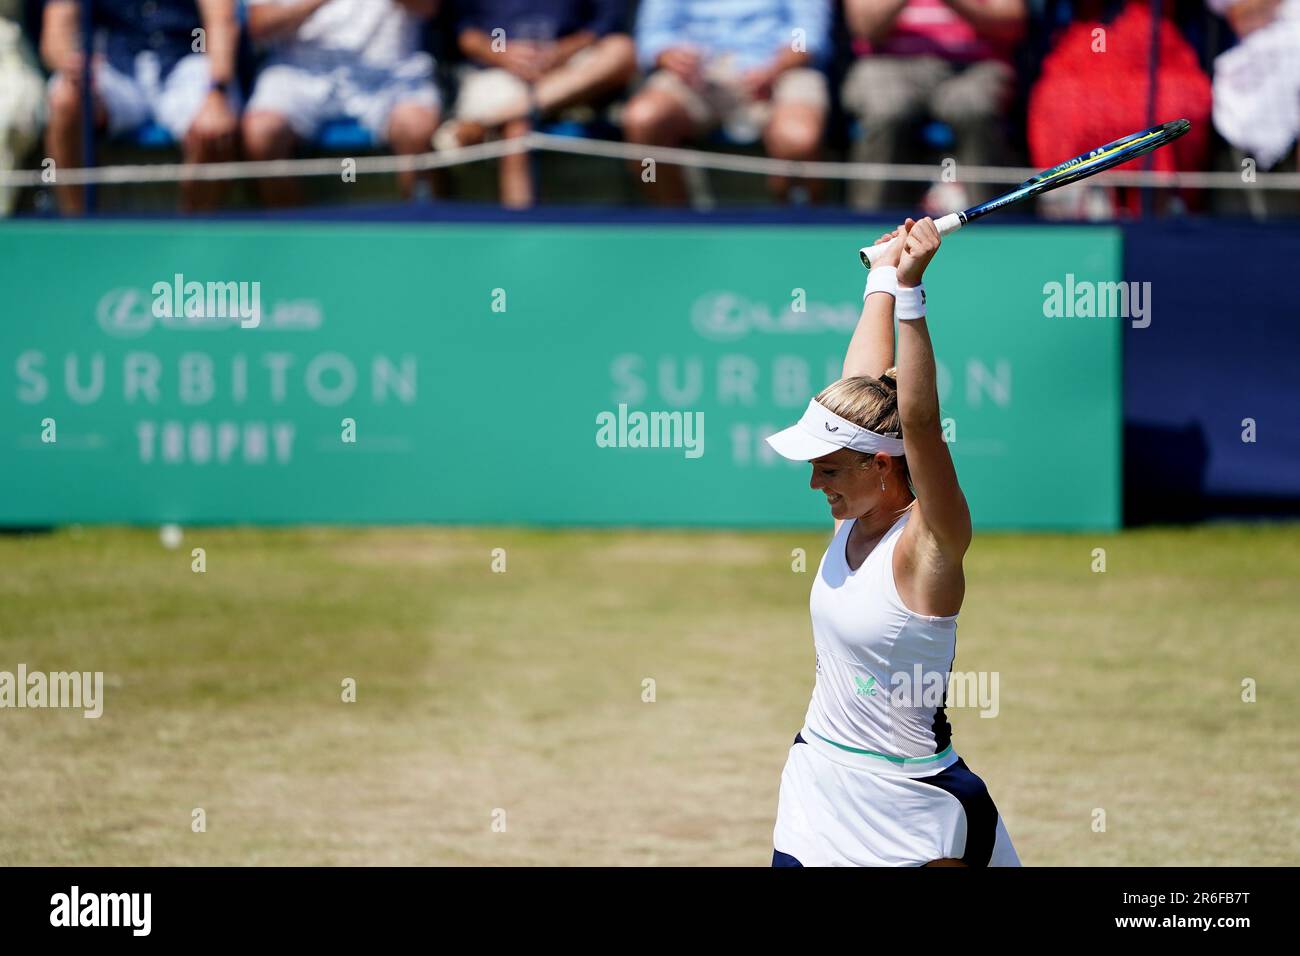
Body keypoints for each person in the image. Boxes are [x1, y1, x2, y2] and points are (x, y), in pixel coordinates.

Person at [765, 217, 1020, 866]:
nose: (815, 485)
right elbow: (865, 382)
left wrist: (911, 291)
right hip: (817, 784)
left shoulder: (931, 543)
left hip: (912, 805)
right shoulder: (852, 512)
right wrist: (881, 274)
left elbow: (919, 421)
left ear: (880, 465)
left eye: (827, 468)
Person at [41, 0, 240, 214]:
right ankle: (77, 232)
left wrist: (216, 90)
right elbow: (56, 29)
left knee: (212, 128)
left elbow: (221, 20)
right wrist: (71, 63)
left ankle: (192, 238)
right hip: (115, 66)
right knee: (64, 100)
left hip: (185, 60)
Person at [622, 0, 831, 204]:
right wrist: (671, 55)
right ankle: (675, 224)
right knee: (643, 120)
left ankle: (792, 228)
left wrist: (776, 67)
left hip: (783, 71)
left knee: (798, 141)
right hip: (697, 77)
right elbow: (654, 34)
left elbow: (805, 34)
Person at [240, 0, 442, 205]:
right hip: (297, 74)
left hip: (391, 71)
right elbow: (259, 26)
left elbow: (429, 7)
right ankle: (292, 232)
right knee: (261, 133)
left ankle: (419, 225)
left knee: (416, 128)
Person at [442, 0, 636, 208]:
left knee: (621, 50)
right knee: (517, 128)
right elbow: (462, 31)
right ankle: (522, 231)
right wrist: (501, 54)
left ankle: (490, 118)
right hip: (497, 73)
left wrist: (563, 51)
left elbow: (605, 26)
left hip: (573, 74)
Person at [841, 0, 1025, 212]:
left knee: (974, 107)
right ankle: (871, 226)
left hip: (975, 67)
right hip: (888, 64)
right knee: (886, 108)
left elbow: (1011, 25)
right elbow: (865, 28)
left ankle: (987, 221)